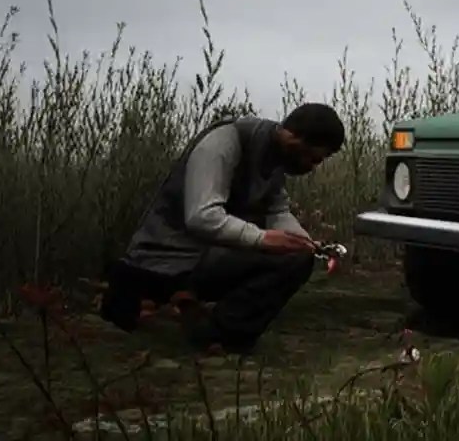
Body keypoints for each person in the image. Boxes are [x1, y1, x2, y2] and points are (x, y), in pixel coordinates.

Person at [99, 103, 345, 353]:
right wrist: (263, 239)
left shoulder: (272, 157)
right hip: (162, 261)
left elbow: (276, 210)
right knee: (289, 260)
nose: (313, 166)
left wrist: (303, 242)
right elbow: (202, 217)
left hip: (201, 259)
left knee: (297, 258)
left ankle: (208, 325)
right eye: (313, 158)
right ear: (293, 137)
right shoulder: (221, 144)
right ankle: (210, 333)